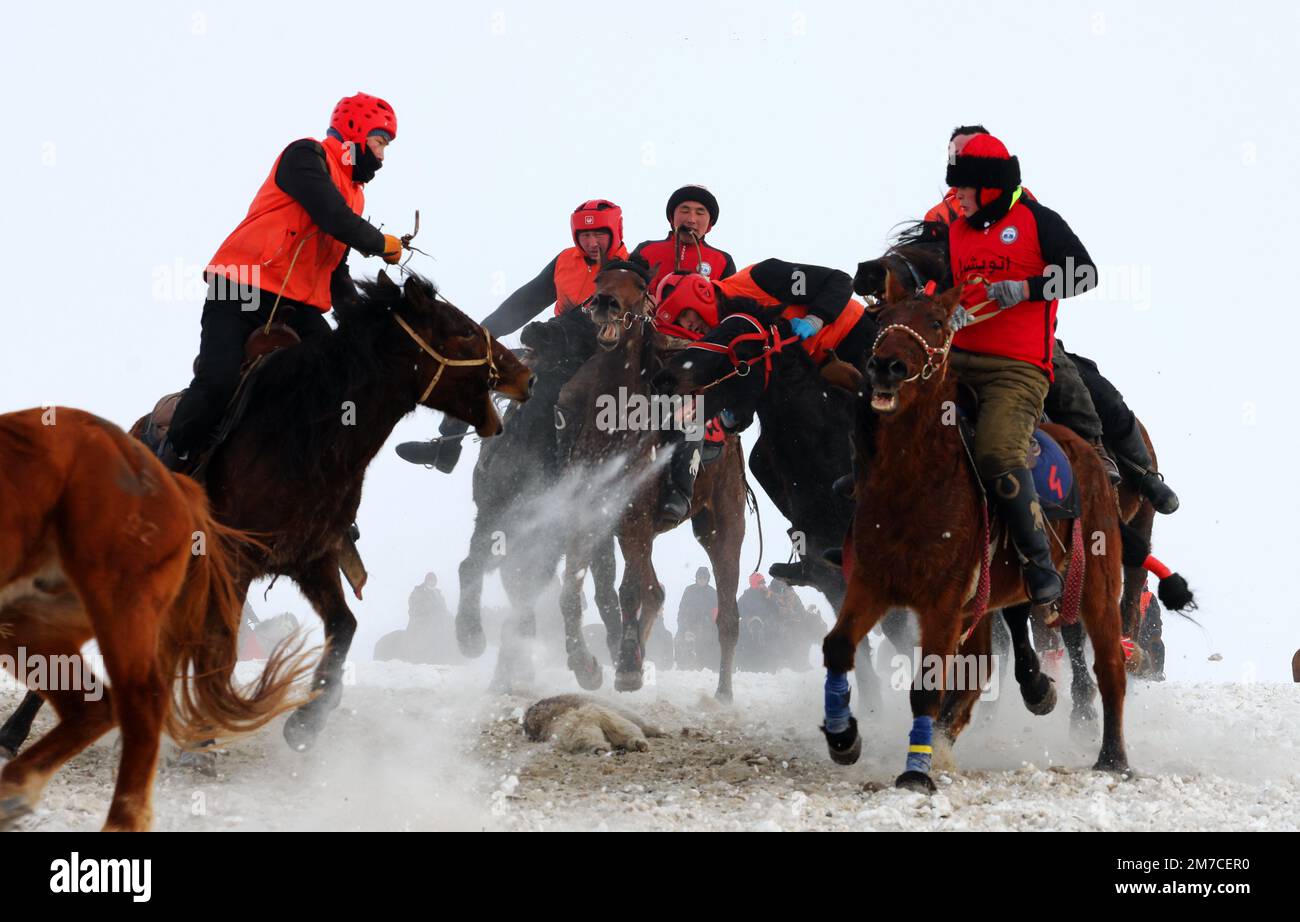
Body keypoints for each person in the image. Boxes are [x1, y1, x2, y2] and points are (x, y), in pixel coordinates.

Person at [929, 126, 1178, 513]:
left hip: (1023, 339)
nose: (956, 159)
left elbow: (1081, 272)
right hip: (959, 338)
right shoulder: (943, 217)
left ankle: (1112, 460)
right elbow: (934, 272)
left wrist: (1026, 288)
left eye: (964, 153)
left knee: (1080, 383)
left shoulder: (1025, 207)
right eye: (953, 153)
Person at [161, 93, 404, 471]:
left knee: (340, 384)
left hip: (296, 309)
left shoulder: (356, 199)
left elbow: (335, 271)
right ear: (356, 131)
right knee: (218, 385)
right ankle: (169, 465)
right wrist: (379, 243)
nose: (383, 157)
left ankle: (316, 489)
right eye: (379, 143)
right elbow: (331, 216)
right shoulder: (306, 156)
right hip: (239, 291)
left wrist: (365, 325)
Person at [945, 132, 1095, 605]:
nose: (957, 197)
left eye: (964, 189)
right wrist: (943, 310)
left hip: (1016, 370)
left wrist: (1026, 288)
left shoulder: (1038, 220)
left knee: (995, 451)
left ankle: (1038, 561)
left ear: (988, 187)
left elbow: (1085, 273)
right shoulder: (956, 230)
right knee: (887, 406)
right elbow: (949, 286)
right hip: (956, 359)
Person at [397, 199, 627, 471]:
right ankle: (447, 447)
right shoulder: (566, 260)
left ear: (615, 232)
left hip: (594, 358)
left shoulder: (626, 271)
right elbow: (526, 302)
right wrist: (484, 333)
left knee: (544, 394)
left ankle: (552, 467)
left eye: (599, 234)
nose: (592, 242)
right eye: (585, 235)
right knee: (477, 364)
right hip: (552, 348)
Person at [653, 259, 864, 524]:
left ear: (701, 293)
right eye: (681, 323)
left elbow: (840, 281)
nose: (689, 325)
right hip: (811, 381)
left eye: (686, 314)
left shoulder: (759, 277)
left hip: (853, 342)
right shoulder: (724, 341)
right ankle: (810, 539)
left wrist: (814, 320)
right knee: (763, 462)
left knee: (860, 439)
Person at [632, 185, 737, 293]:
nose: (691, 219)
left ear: (709, 224)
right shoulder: (646, 250)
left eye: (700, 213)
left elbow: (730, 304)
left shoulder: (723, 261)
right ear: (672, 218)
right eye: (685, 211)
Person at [674, 567, 719, 668]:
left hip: (708, 627)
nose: (702, 580)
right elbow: (681, 612)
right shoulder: (689, 591)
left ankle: (710, 666)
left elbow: (716, 614)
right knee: (679, 640)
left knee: (714, 641)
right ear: (696, 578)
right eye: (700, 577)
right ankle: (683, 666)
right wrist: (684, 629)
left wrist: (712, 627)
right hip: (688, 627)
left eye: (704, 578)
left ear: (708, 579)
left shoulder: (713, 593)